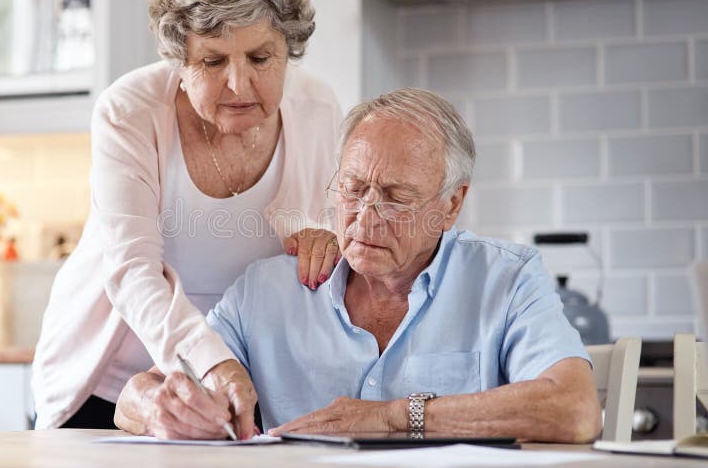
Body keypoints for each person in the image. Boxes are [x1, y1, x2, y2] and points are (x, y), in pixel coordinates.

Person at [114, 88, 603, 443]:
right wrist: (158, 408)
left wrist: (393, 418)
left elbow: (575, 409)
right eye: (352, 188)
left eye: (395, 197)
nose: (365, 216)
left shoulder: (506, 279)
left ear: (452, 205)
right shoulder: (266, 291)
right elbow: (141, 394)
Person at [32, 0, 343, 434]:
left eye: (261, 57)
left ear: (290, 49)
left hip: (244, 382)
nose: (239, 85)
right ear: (179, 58)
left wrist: (325, 241)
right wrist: (209, 363)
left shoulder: (318, 108)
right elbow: (132, 270)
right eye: (214, 62)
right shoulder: (129, 111)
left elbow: (322, 238)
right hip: (113, 382)